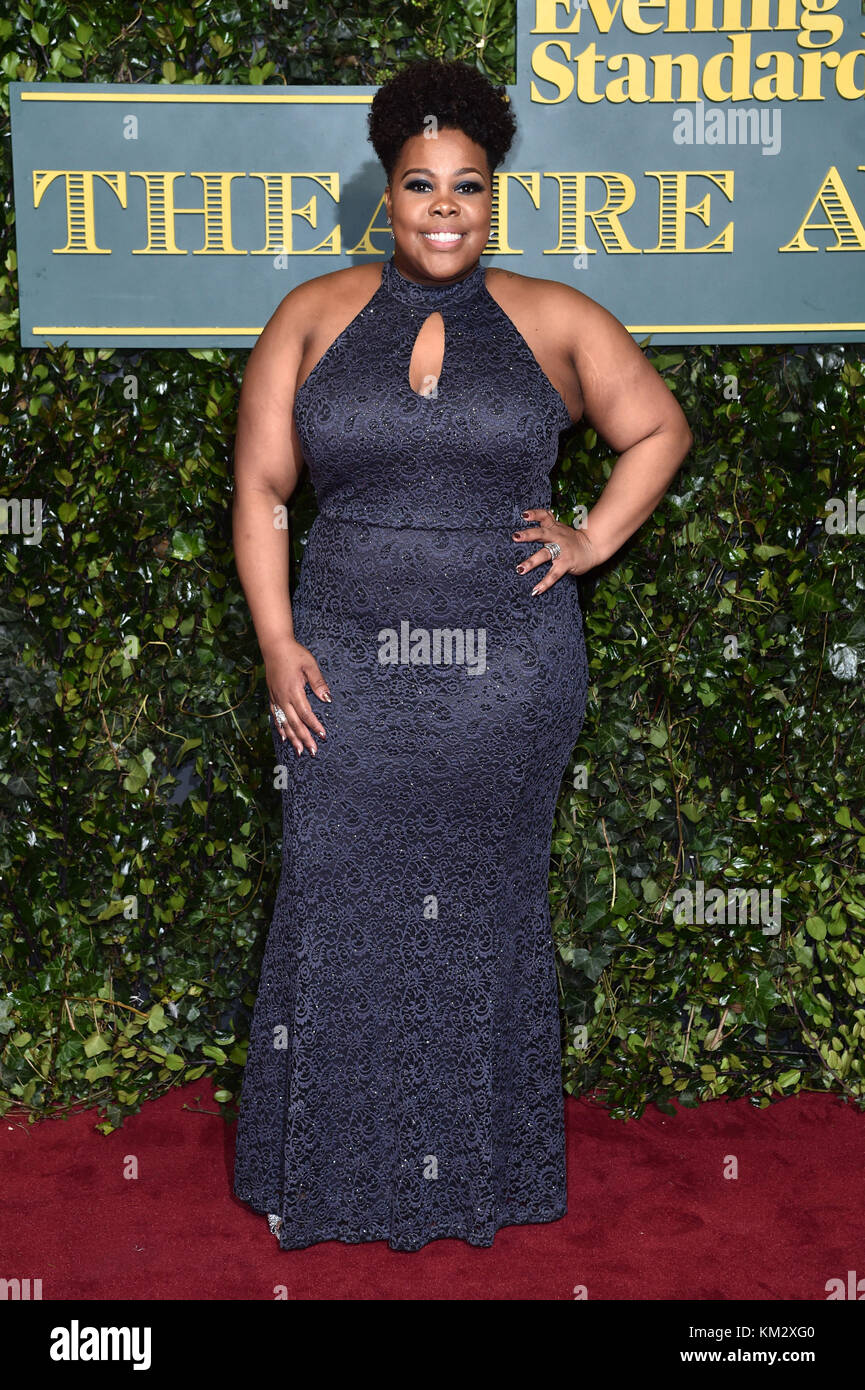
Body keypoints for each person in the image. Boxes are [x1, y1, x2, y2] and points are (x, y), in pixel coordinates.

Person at [231, 57, 692, 1252]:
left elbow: (657, 427)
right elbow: (262, 485)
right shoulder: (314, 313)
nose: (444, 208)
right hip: (340, 670)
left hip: (506, 680)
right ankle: (333, 1170)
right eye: (420, 185)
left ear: (494, 200)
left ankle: (472, 1175)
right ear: (385, 197)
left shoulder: (552, 317)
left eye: (468, 188)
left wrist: (590, 537)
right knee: (339, 894)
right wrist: (278, 639)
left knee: (481, 909)